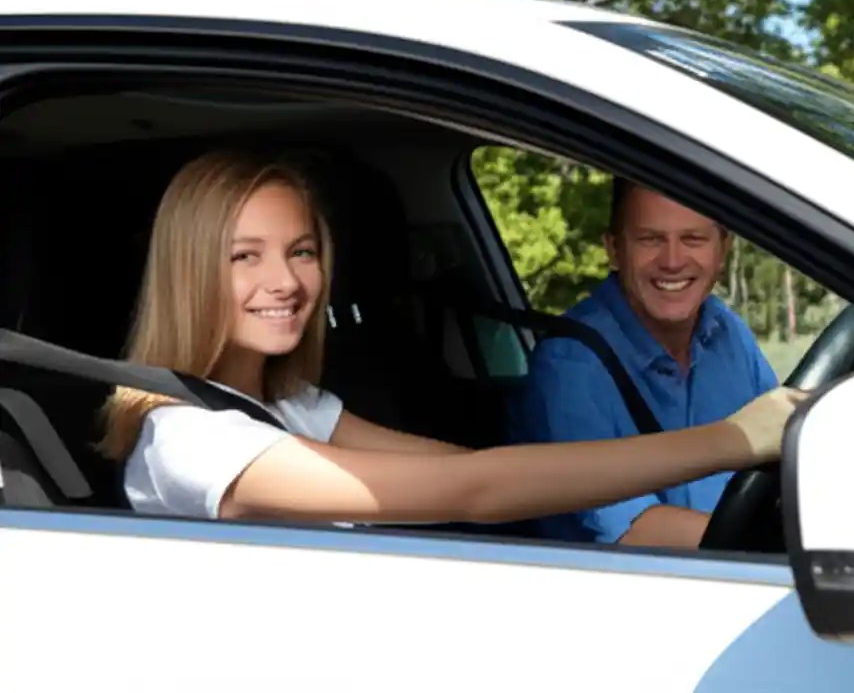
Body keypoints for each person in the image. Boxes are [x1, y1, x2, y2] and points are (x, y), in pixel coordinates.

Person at [98, 149, 806, 524]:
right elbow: (473, 488)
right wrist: (733, 440)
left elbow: (477, 463)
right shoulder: (191, 443)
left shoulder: (296, 407)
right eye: (243, 256)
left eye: (302, 251)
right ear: (189, 272)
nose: (284, 281)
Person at [507, 178, 779, 548]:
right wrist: (779, 548)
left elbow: (783, 450)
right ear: (614, 250)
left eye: (693, 240)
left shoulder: (728, 332)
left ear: (723, 251)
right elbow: (633, 530)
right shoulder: (570, 365)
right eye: (650, 239)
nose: (672, 260)